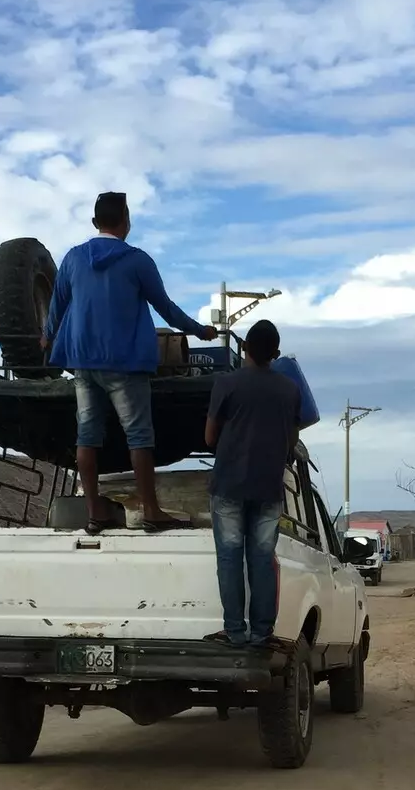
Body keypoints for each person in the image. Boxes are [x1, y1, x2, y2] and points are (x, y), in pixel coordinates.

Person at [41, 192, 217, 533]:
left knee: (87, 436)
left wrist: (48, 335)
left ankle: (95, 512)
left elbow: (57, 303)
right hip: (123, 361)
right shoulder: (137, 261)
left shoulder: (74, 259)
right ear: (127, 221)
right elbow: (165, 308)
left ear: (95, 223)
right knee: (138, 435)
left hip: (81, 360)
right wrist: (199, 330)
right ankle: (151, 511)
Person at [203, 319, 301, 648]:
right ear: (275, 353)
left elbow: (209, 437)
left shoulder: (226, 383)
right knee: (261, 560)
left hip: (229, 485)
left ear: (244, 348)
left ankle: (234, 632)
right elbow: (292, 442)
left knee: (230, 559)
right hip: (268, 488)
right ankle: (261, 633)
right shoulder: (290, 389)